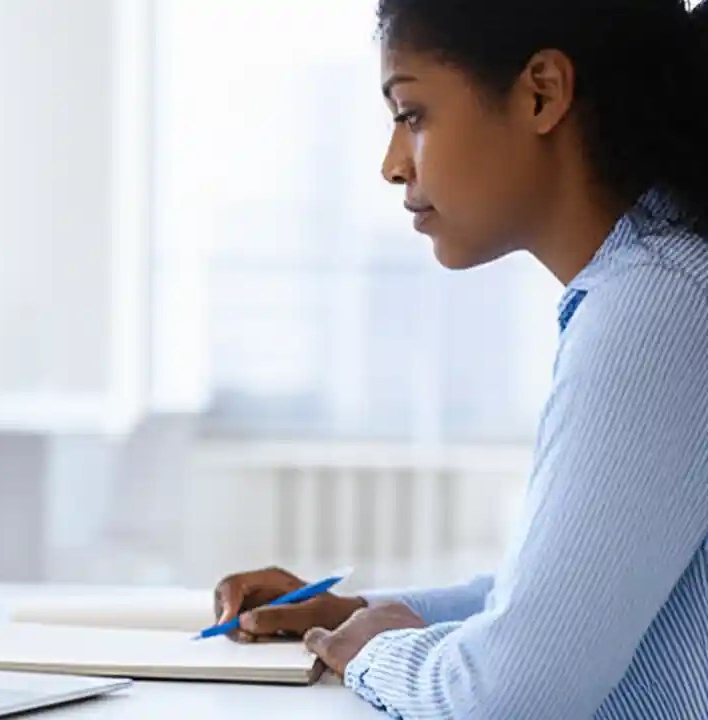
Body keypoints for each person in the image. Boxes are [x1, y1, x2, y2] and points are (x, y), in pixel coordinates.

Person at [212, 1, 708, 718]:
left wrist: (362, 653)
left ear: (541, 92)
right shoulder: (663, 279)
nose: (391, 165)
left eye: (412, 114)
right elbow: (578, 593)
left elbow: (506, 697)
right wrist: (367, 611)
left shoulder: (658, 305)